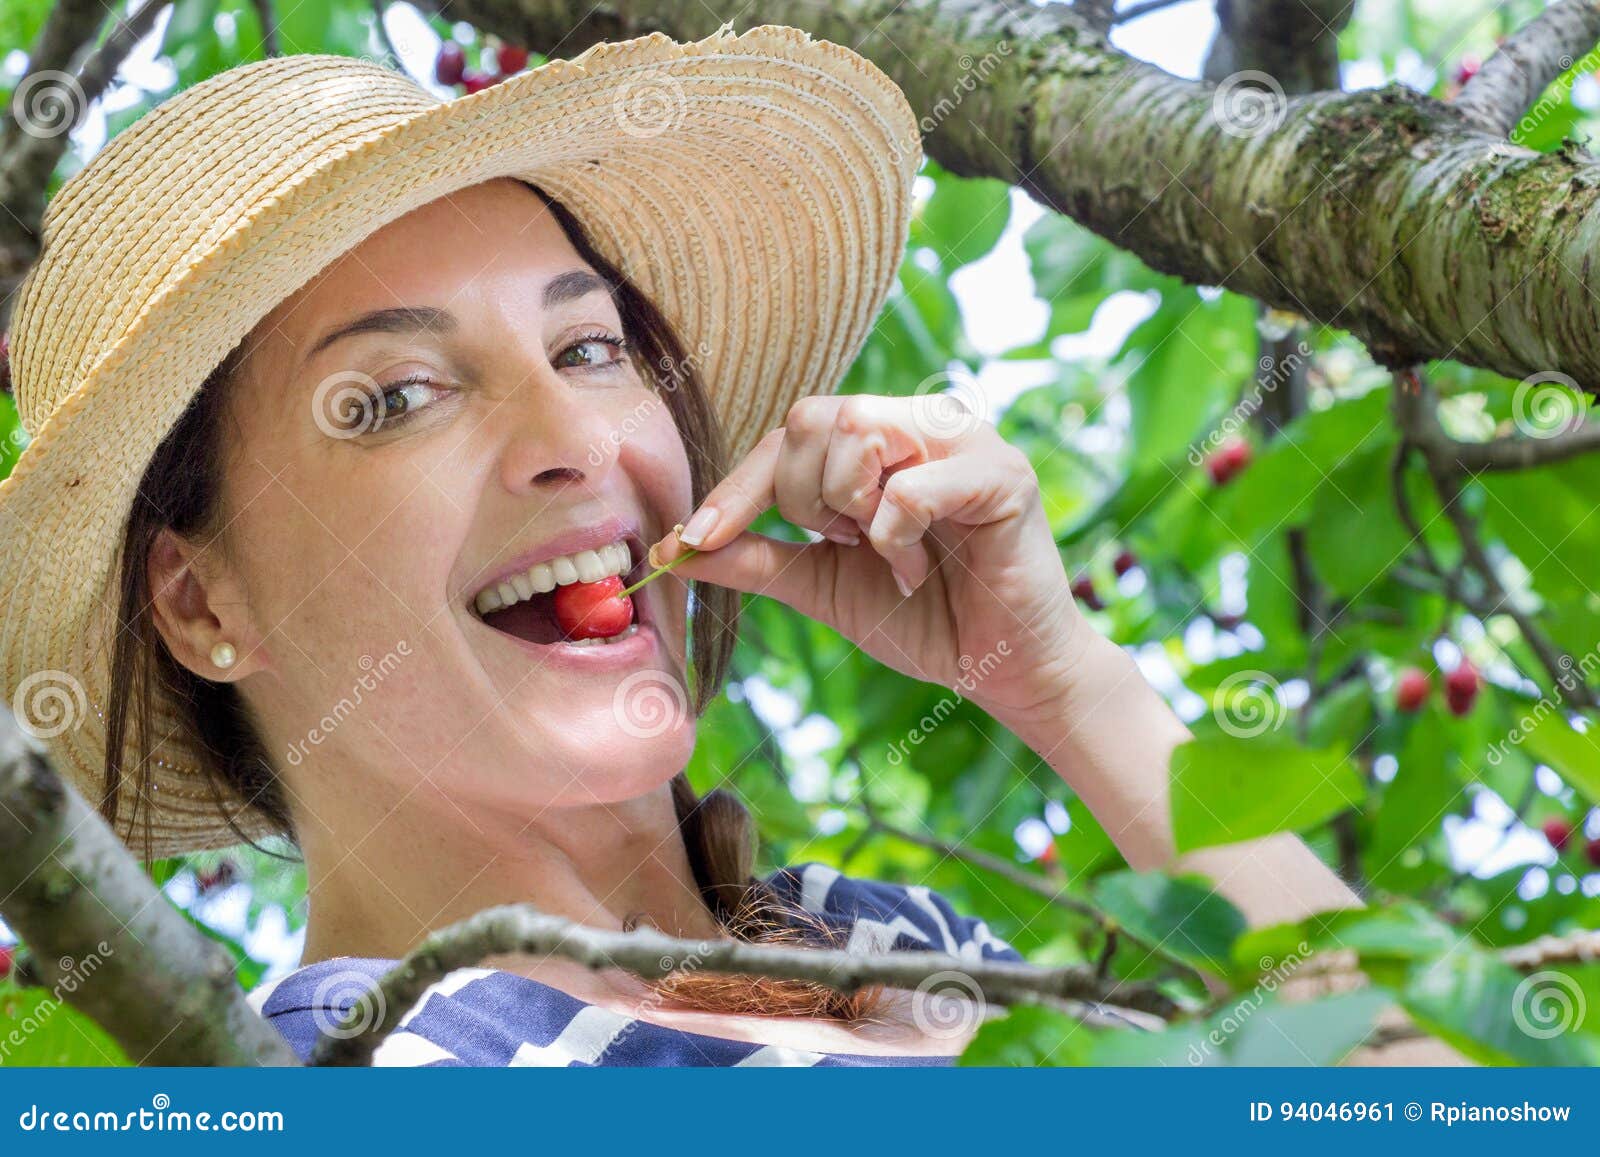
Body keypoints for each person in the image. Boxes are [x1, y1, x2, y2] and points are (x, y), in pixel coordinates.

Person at [0, 27, 1380, 1067]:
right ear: (197, 601)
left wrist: (1058, 677)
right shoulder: (355, 1079)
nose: (577, 437)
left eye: (590, 346)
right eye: (396, 398)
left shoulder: (881, 940)